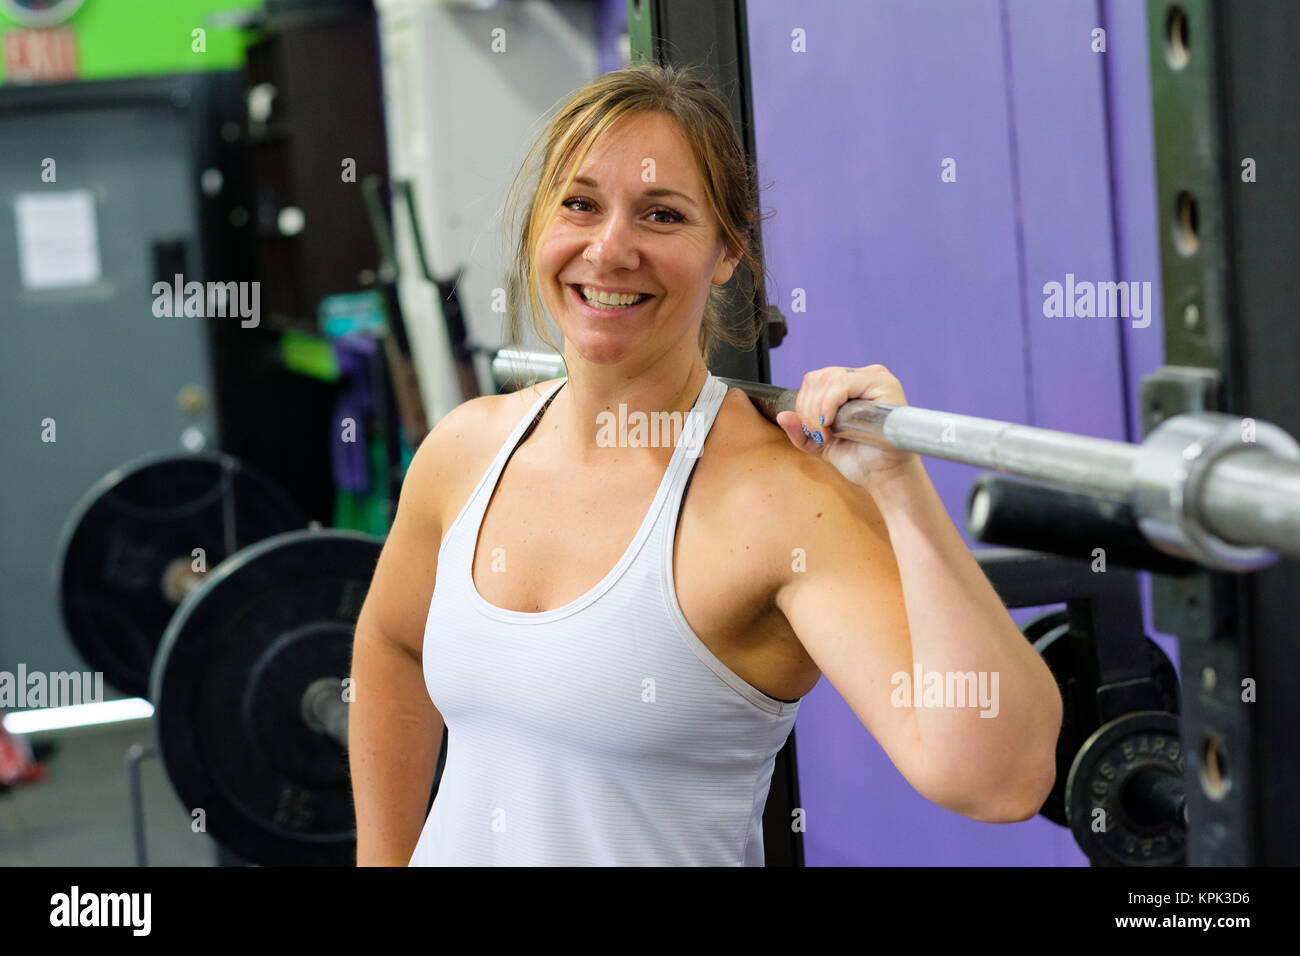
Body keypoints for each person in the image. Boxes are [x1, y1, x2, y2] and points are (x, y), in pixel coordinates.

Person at [348, 63, 1062, 866]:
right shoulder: (465, 449)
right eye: (580, 205)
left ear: (727, 253)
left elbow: (998, 778)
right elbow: (393, 646)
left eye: (662, 215)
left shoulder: (779, 504)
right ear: (539, 227)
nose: (610, 249)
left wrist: (901, 492)